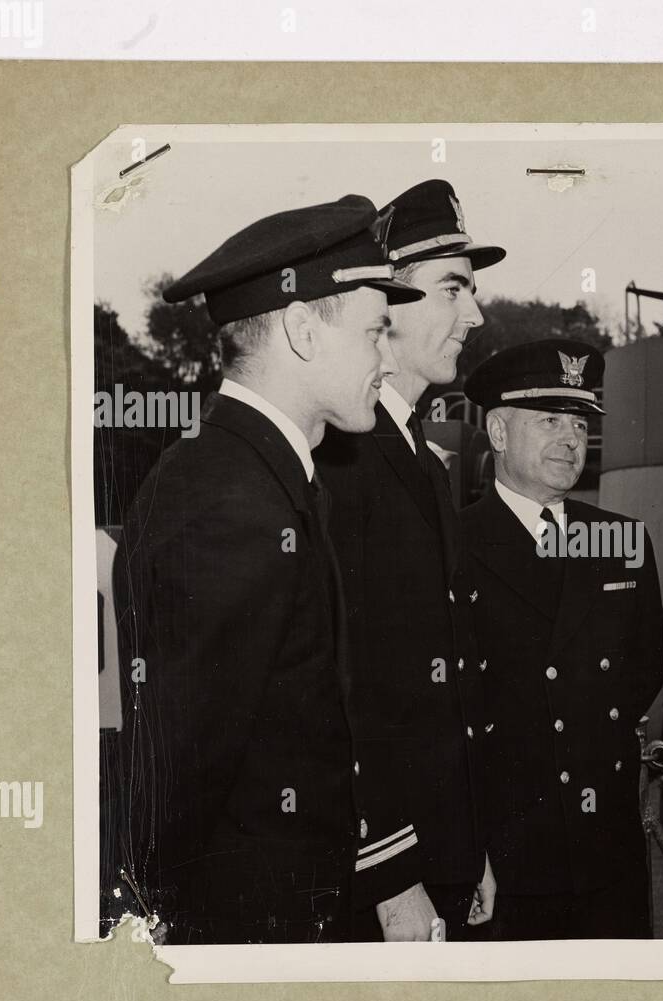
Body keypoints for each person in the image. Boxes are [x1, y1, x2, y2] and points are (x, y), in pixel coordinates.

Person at [113, 194, 437, 944]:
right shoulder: (231, 501)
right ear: (300, 328)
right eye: (375, 330)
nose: (387, 358)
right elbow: (174, 784)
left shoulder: (260, 475)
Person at [315, 180, 504, 938]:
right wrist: (390, 878)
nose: (476, 314)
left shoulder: (422, 462)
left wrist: (470, 844)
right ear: (382, 305)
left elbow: (445, 688)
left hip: (442, 858)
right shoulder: (339, 463)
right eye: (453, 289)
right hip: (383, 884)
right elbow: (335, 692)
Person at [460, 339, 663, 940]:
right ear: (498, 432)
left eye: (578, 423)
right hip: (506, 853)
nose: (570, 439)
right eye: (549, 420)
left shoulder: (623, 539)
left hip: (608, 850)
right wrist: (470, 852)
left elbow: (641, 671)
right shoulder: (452, 544)